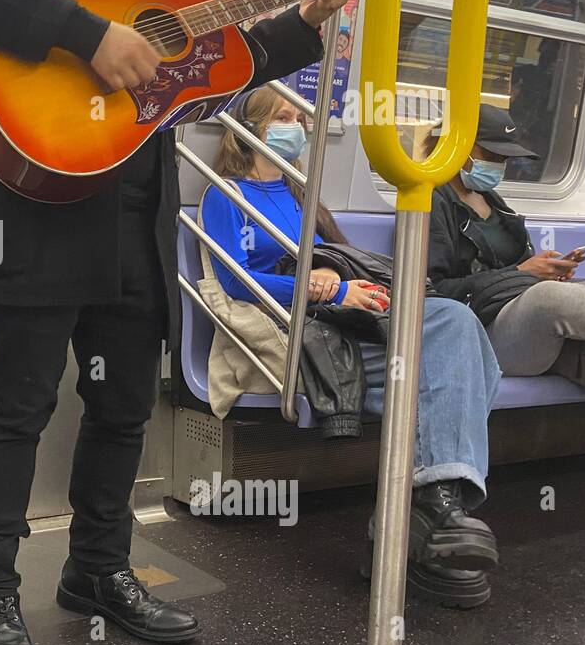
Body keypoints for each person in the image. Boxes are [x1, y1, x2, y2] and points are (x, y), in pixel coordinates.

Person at [0, 0, 364, 645]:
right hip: (38, 215)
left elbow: (221, 59)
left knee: (125, 406)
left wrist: (309, 24)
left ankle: (97, 567)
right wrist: (90, 35)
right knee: (18, 406)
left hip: (133, 216)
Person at [201, 87, 502, 608]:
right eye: (280, 118)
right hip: (303, 324)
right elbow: (235, 281)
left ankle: (420, 514)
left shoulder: (301, 192)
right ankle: (430, 511)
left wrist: (349, 286)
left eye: (299, 117)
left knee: (462, 344)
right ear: (249, 130)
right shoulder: (226, 193)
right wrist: (336, 290)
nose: (293, 126)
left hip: (341, 316)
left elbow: (330, 260)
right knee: (451, 338)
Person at [426, 105, 585, 386]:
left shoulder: (493, 201)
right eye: (491, 155)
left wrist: (548, 270)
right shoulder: (430, 200)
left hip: (529, 330)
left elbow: (521, 271)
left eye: (503, 158)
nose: (498, 165)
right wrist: (523, 273)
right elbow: (434, 292)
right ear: (457, 146)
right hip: (480, 330)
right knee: (551, 298)